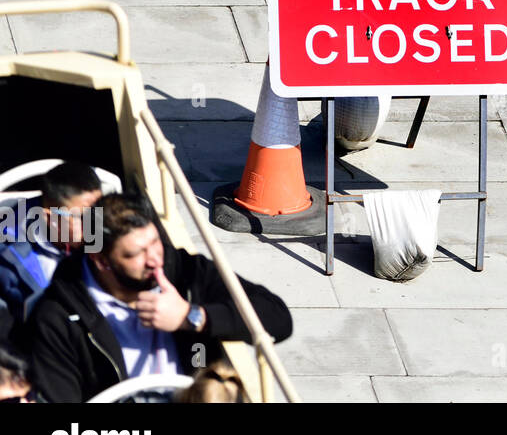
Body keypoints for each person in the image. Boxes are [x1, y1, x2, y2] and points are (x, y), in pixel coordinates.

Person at [27, 193, 292, 403]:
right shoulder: (57, 316)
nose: (155, 258)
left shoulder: (184, 272)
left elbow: (278, 319)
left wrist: (193, 316)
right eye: (136, 254)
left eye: (155, 242)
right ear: (101, 260)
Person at [0, 161, 103, 345]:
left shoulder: (105, 229)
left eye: (98, 210)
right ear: (50, 217)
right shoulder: (7, 257)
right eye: (83, 217)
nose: (95, 223)